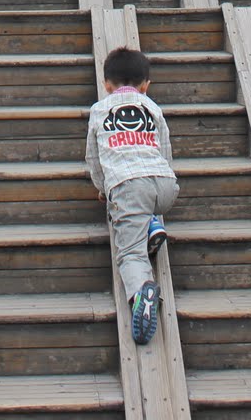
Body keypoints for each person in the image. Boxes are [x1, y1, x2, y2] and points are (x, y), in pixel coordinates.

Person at [85, 47, 179, 346]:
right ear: (146, 85)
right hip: (165, 186)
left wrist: (103, 188)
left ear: (106, 85)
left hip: (128, 186)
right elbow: (165, 149)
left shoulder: (100, 110)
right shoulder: (153, 108)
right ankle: (154, 225)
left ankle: (142, 292)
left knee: (130, 253)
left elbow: (94, 158)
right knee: (145, 204)